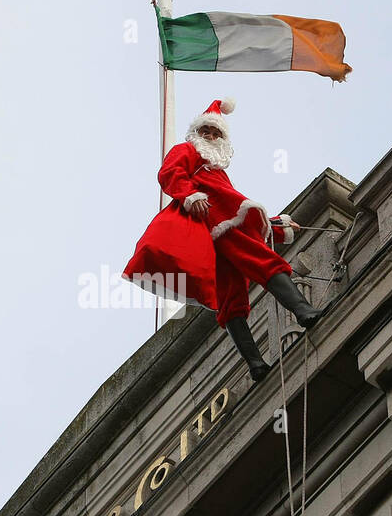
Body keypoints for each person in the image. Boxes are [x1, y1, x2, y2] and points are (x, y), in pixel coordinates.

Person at [123, 98, 325, 380]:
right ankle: (303, 311)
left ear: (222, 139)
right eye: (205, 130)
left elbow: (236, 206)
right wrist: (189, 195)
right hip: (215, 222)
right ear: (196, 133)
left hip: (218, 226)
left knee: (230, 294)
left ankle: (255, 364)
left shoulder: (217, 170)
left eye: (215, 132)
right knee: (262, 261)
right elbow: (169, 172)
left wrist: (277, 224)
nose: (210, 136)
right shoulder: (188, 151)